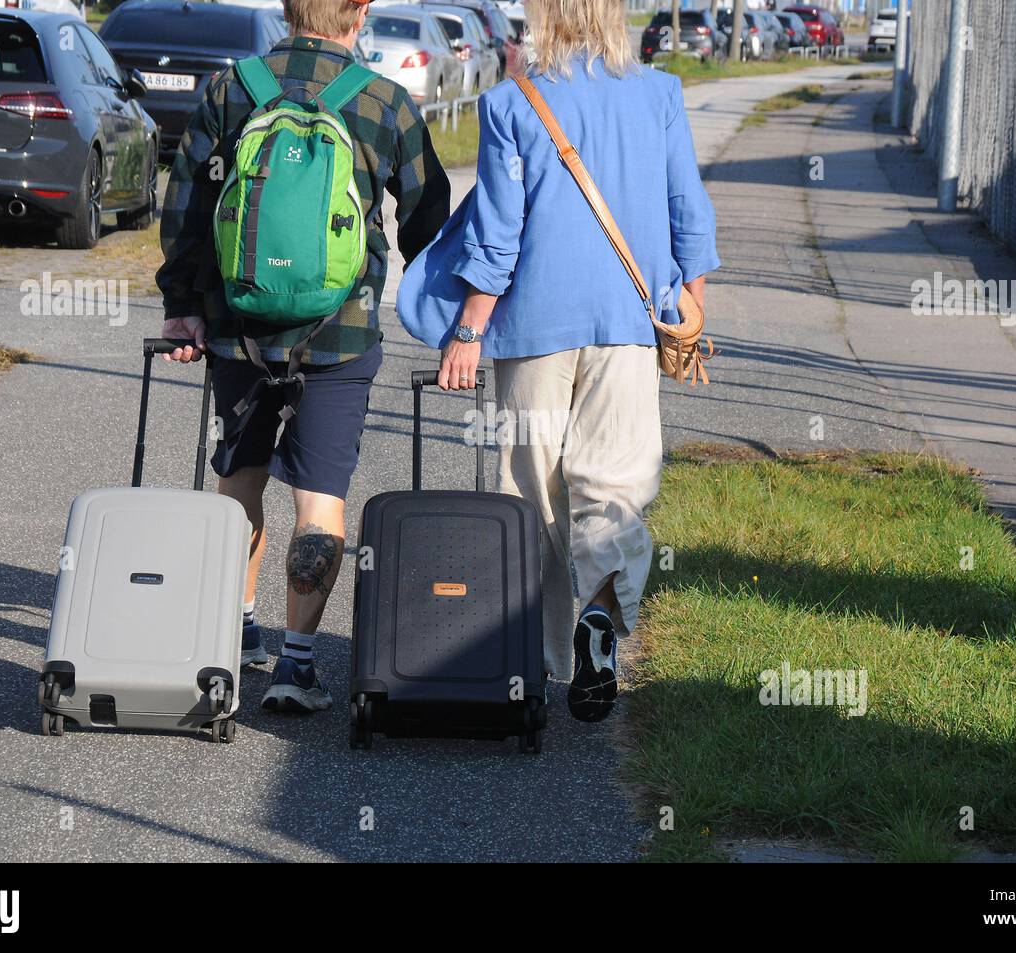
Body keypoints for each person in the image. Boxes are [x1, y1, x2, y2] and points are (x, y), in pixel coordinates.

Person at [156, 0, 450, 713]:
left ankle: (238, 633)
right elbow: (430, 220)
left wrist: (182, 302)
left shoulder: (233, 88)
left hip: (237, 325)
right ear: (361, 11)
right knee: (321, 499)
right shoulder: (384, 101)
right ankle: (296, 666)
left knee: (240, 479)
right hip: (340, 333)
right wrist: (450, 319)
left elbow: (188, 204)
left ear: (288, 8)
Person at [434, 0, 719, 721]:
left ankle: (530, 660)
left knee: (532, 492)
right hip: (628, 319)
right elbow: (689, 209)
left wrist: (468, 332)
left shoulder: (510, 102)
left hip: (533, 323)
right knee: (612, 480)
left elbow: (499, 233)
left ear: (541, 17)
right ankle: (597, 618)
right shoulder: (659, 93)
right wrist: (691, 300)